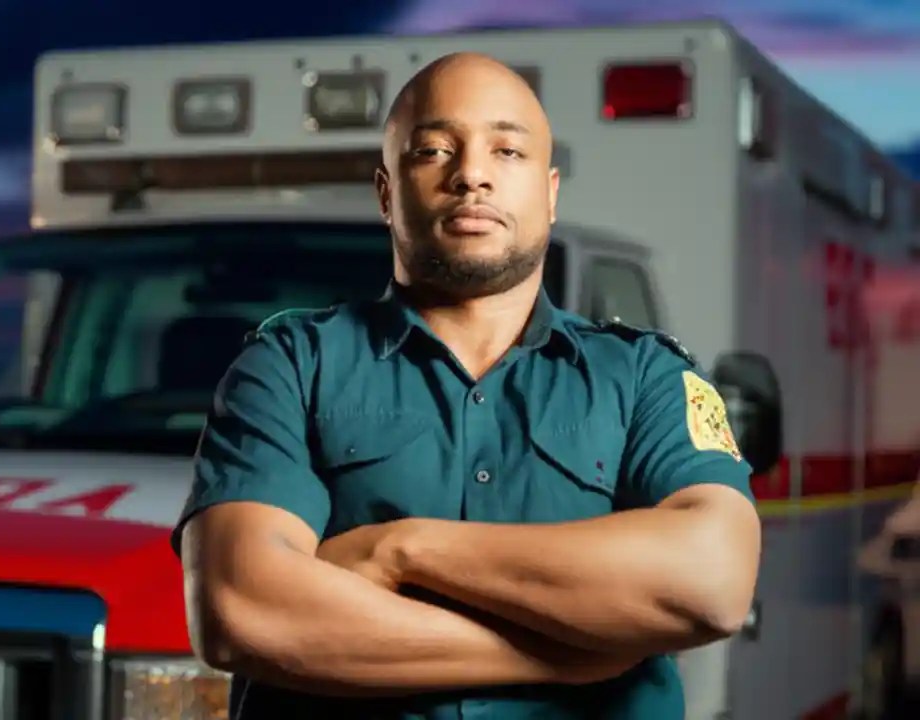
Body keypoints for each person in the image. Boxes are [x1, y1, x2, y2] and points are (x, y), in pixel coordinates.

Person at [171, 51, 762, 720]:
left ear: (550, 191)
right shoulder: (289, 366)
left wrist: (399, 550)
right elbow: (243, 611)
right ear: (387, 192)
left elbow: (712, 583)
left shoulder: (647, 377)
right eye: (433, 151)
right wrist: (563, 656)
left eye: (507, 151)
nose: (471, 175)